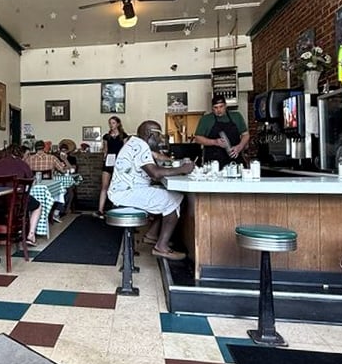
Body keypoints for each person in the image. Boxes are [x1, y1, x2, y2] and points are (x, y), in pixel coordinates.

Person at [108, 120, 193, 261]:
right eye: (158, 135)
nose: (160, 139)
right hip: (125, 193)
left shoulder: (134, 142)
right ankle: (161, 247)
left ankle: (151, 236)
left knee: (166, 195)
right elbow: (154, 173)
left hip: (125, 190)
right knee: (173, 199)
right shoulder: (140, 146)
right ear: (149, 134)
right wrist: (182, 169)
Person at [0, 144, 42, 245]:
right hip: (17, 202)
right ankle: (31, 235)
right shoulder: (22, 164)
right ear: (19, 153)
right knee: (37, 206)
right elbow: (31, 179)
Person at [193, 94, 250, 169]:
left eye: (221, 106)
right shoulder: (206, 119)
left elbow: (245, 135)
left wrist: (239, 147)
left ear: (226, 106)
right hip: (214, 164)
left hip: (235, 161)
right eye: (215, 107)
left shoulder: (236, 116)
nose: (219, 110)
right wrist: (215, 142)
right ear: (212, 108)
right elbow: (197, 138)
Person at [95, 115, 128, 218]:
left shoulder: (124, 136)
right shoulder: (106, 136)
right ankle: (100, 210)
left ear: (118, 124)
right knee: (104, 186)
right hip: (109, 161)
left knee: (118, 186)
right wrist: (104, 157)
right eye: (110, 123)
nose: (111, 125)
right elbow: (105, 149)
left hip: (120, 163)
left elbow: (126, 150)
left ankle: (117, 209)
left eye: (113, 123)